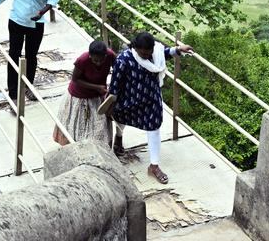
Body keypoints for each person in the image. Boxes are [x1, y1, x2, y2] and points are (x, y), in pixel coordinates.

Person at [108, 31, 192, 185]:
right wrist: (110, 103)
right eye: (143, 53)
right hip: (130, 98)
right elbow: (115, 83)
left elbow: (165, 53)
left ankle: (154, 166)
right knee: (121, 117)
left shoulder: (156, 52)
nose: (147, 55)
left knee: (154, 128)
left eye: (150, 51)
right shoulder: (123, 60)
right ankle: (118, 138)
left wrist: (179, 49)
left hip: (152, 99)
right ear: (135, 48)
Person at [54, 40, 117, 148]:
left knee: (99, 126)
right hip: (79, 95)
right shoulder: (82, 60)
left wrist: (112, 88)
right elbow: (75, 79)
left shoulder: (111, 55)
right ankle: (77, 147)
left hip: (98, 95)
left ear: (105, 56)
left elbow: (118, 71)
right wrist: (97, 87)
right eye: (95, 60)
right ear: (90, 56)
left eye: (101, 60)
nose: (98, 63)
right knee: (78, 125)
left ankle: (100, 148)